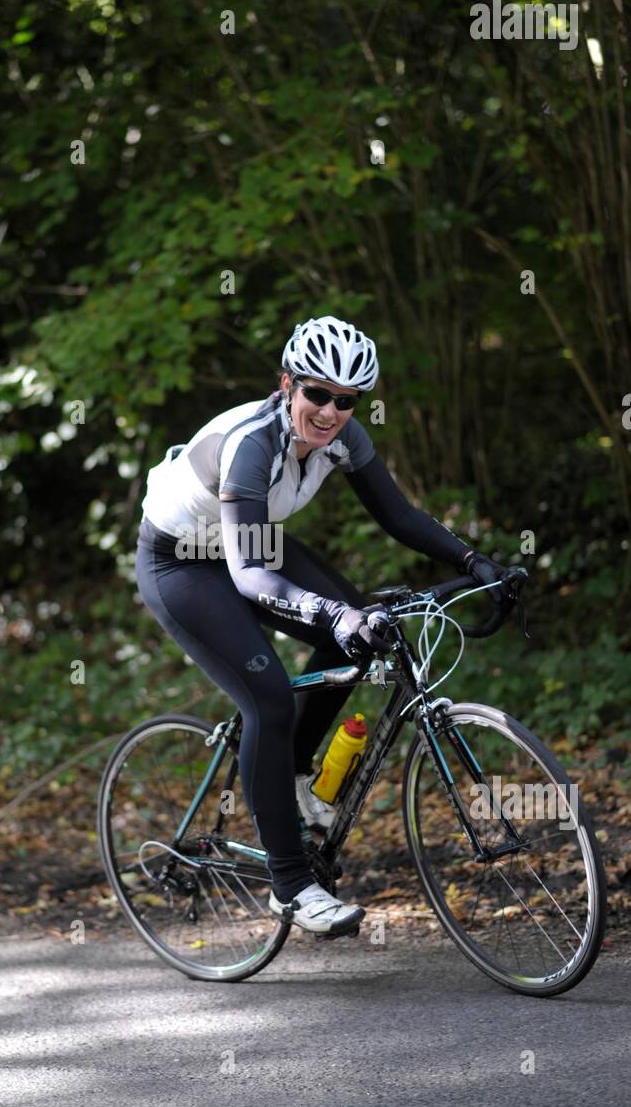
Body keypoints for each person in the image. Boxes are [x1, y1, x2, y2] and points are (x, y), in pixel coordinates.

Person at [134, 316, 508, 936]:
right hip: (182, 561)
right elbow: (249, 574)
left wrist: (476, 563)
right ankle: (291, 887)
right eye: (319, 394)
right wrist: (333, 613)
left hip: (250, 545)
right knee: (271, 700)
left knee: (361, 641)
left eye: (347, 400)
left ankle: (296, 776)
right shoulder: (252, 444)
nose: (332, 411)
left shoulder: (345, 436)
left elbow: (398, 514)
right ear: (288, 385)